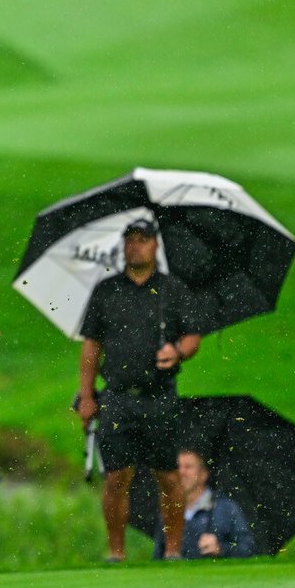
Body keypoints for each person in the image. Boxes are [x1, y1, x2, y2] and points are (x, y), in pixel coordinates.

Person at [74, 218, 203, 563]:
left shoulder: (172, 290)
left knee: (169, 476)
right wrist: (86, 396)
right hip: (117, 396)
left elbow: (193, 337)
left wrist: (177, 352)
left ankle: (173, 552)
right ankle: (116, 553)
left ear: (155, 246)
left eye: (143, 240)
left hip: (159, 396)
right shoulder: (107, 291)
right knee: (116, 477)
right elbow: (91, 347)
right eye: (130, 240)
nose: (135, 246)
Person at [156, 450, 256, 559]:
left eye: (188, 467)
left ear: (203, 474)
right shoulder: (169, 509)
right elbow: (158, 556)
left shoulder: (226, 509)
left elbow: (248, 548)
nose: (181, 472)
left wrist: (221, 548)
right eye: (177, 467)